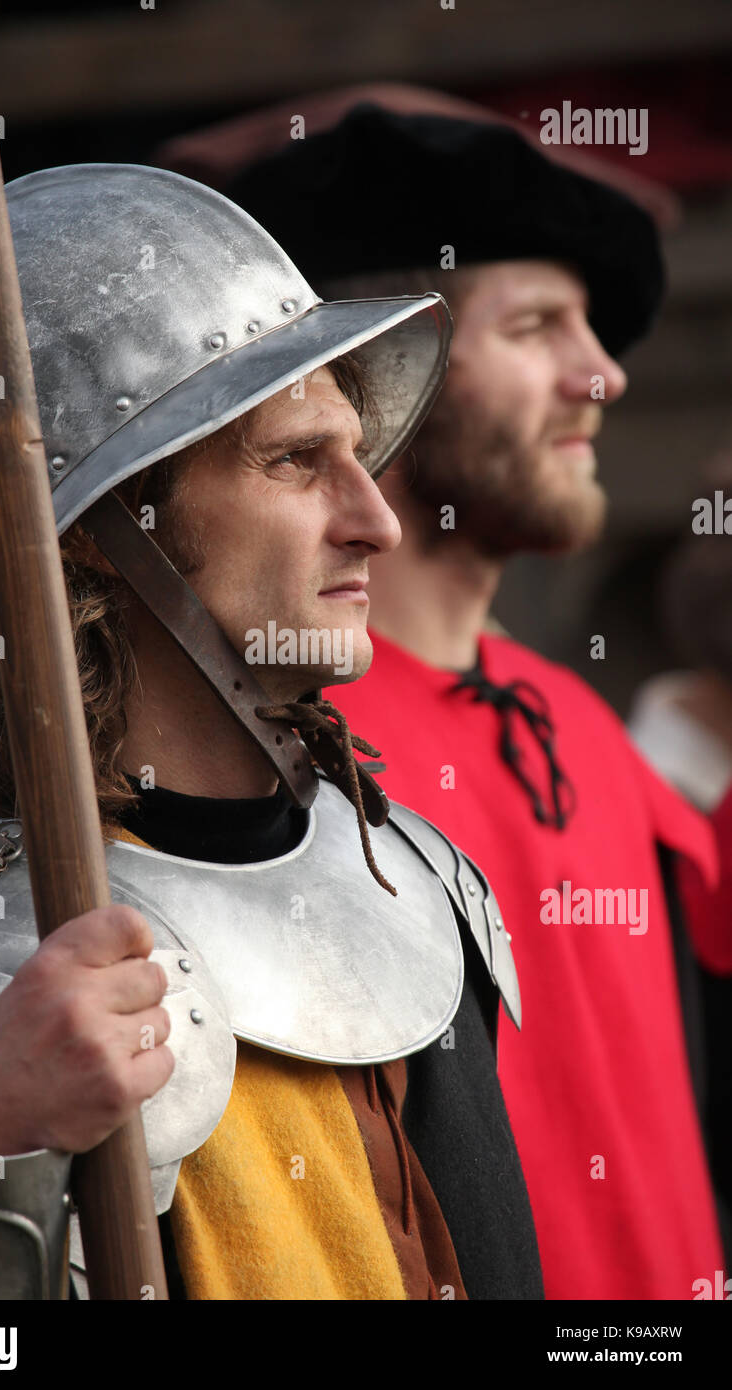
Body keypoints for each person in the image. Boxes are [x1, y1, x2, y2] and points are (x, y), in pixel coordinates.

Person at [0, 162, 543, 1300]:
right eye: (293, 461)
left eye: (356, 453)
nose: (375, 517)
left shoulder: (416, 886)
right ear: (92, 536)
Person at [179, 93, 731, 1299]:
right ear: (379, 376)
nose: (599, 377)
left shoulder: (581, 722)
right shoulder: (263, 757)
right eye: (536, 325)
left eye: (589, 331)